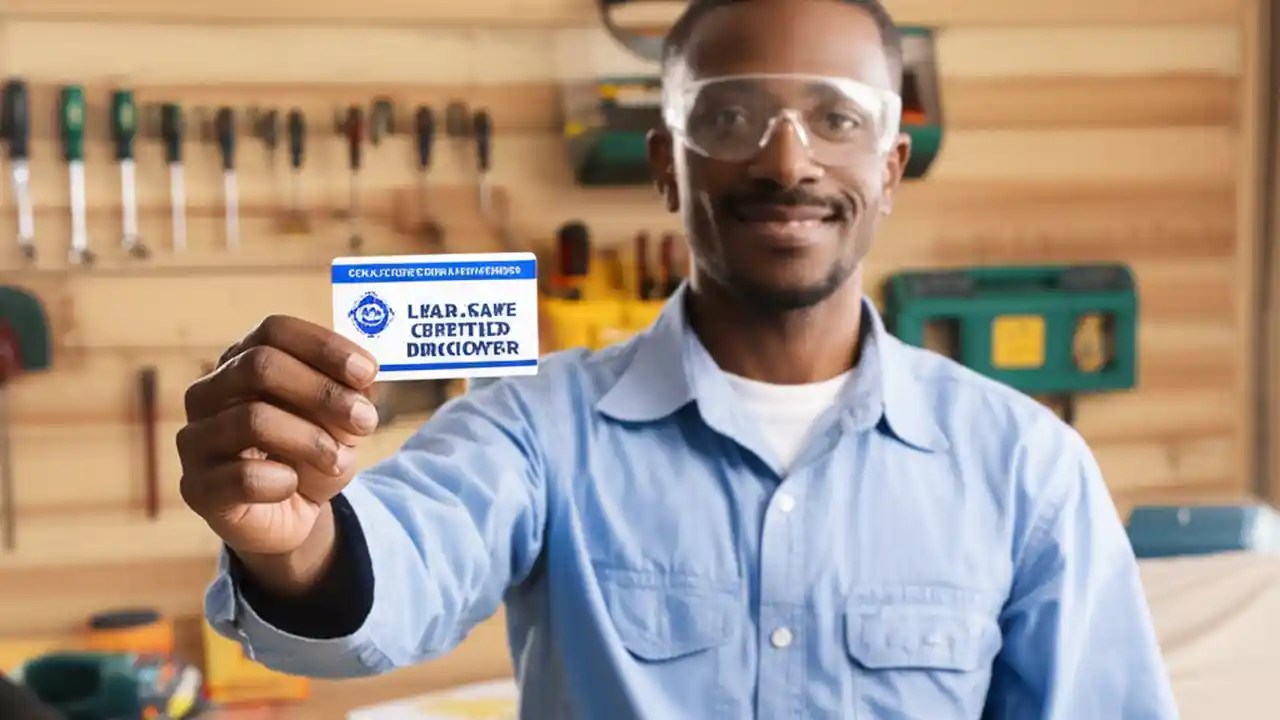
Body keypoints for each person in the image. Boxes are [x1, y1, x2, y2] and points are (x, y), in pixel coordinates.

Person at [179, 0, 1179, 717]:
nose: (786, 160)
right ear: (668, 163)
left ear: (889, 169)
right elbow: (397, 575)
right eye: (730, 118)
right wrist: (293, 542)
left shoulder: (1026, 467)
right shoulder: (533, 430)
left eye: (836, 118)